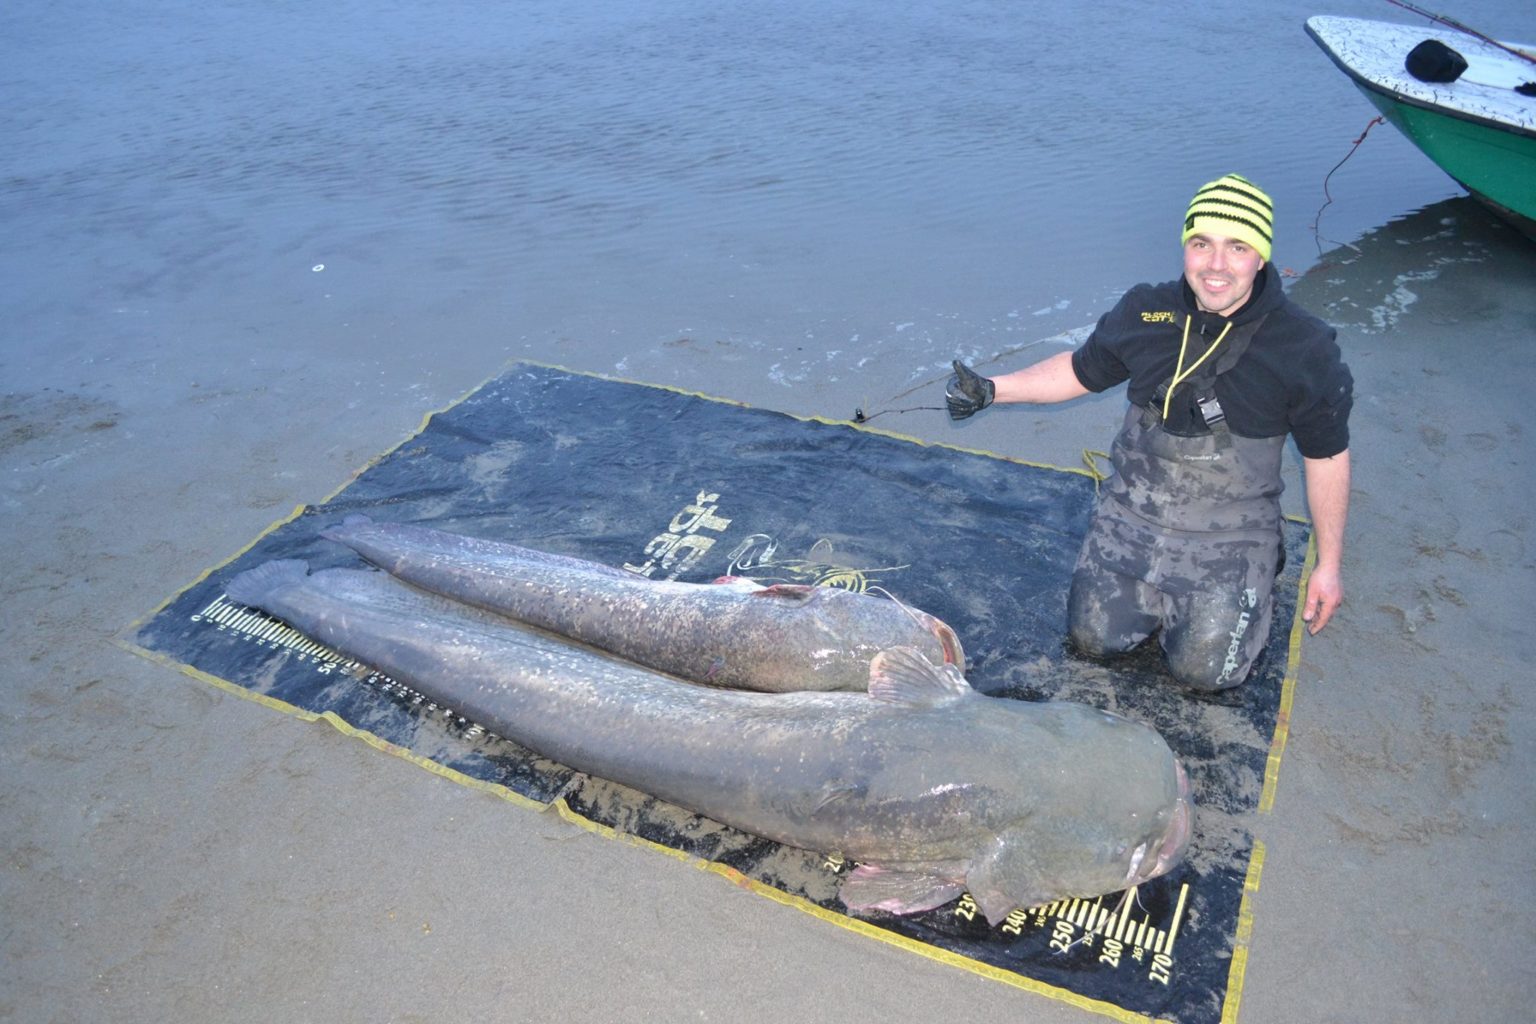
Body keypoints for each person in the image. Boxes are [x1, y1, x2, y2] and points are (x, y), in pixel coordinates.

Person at [946, 174, 1351, 691]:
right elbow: (1077, 371)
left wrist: (1329, 565)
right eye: (1202, 244)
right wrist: (990, 389)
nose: (1217, 265)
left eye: (1238, 247)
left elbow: (1327, 457)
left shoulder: (1304, 346)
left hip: (1229, 535)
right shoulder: (1146, 310)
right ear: (1186, 246)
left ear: (1261, 256)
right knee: (1093, 640)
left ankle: (1249, 593)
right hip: (1131, 518)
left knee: (1204, 672)